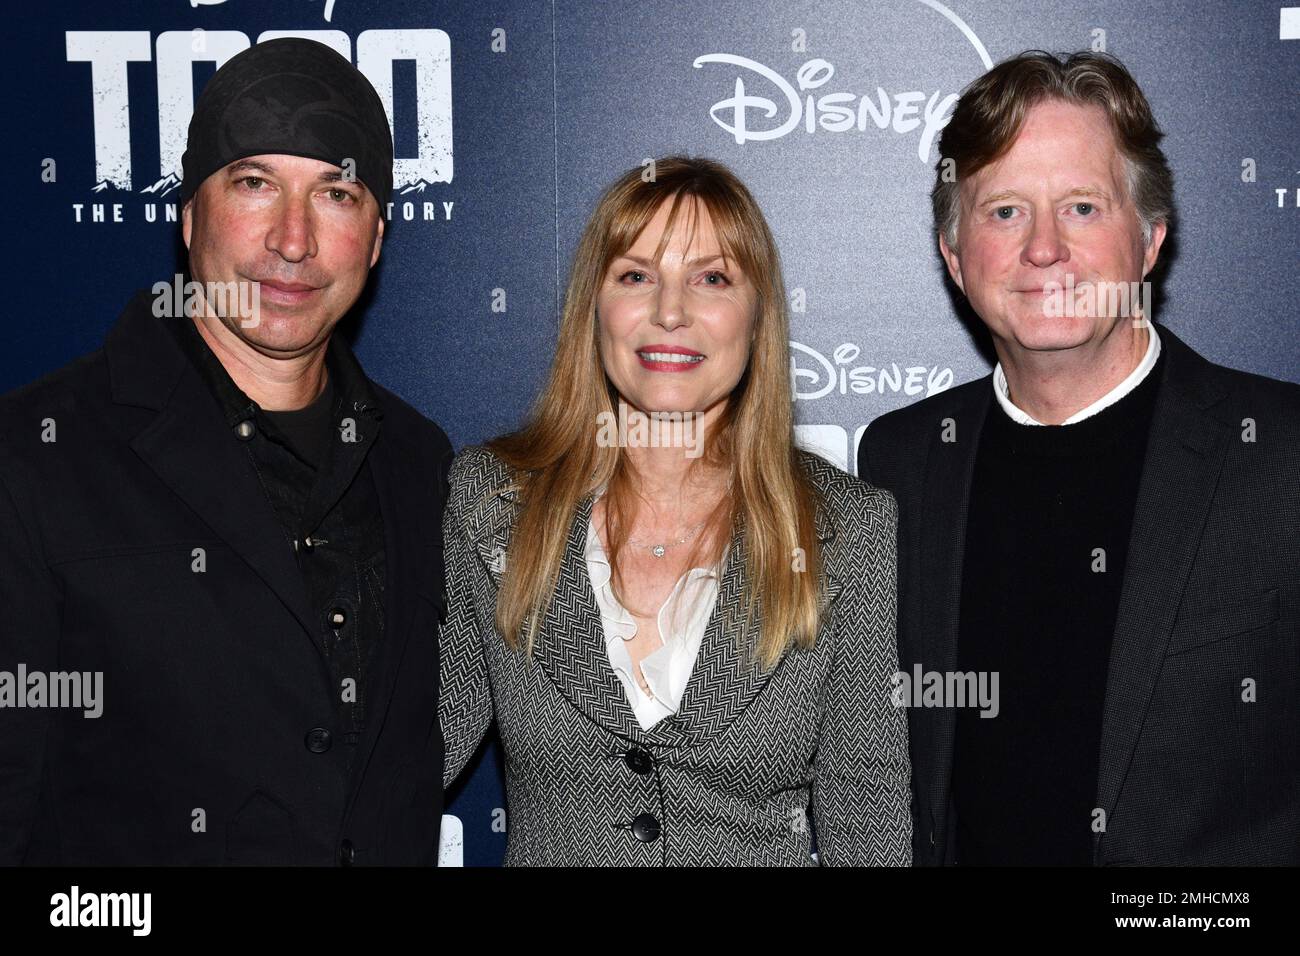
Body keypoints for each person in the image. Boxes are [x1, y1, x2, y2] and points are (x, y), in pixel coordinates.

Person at [0, 38, 452, 865]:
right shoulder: (32, 457)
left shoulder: (423, 465)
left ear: (377, 237)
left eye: (337, 194)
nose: (292, 239)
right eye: (254, 183)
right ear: (187, 215)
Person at [859, 51, 1300, 865]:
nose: (1044, 249)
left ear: (1151, 240)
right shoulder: (901, 460)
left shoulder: (1280, 454)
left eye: (1084, 207)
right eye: (1004, 213)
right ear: (956, 259)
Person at [438, 156, 911, 865]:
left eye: (712, 278)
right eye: (635, 276)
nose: (669, 311)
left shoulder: (844, 530)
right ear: (593, 306)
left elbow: (865, 814)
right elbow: (411, 755)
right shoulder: (493, 505)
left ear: (757, 318)